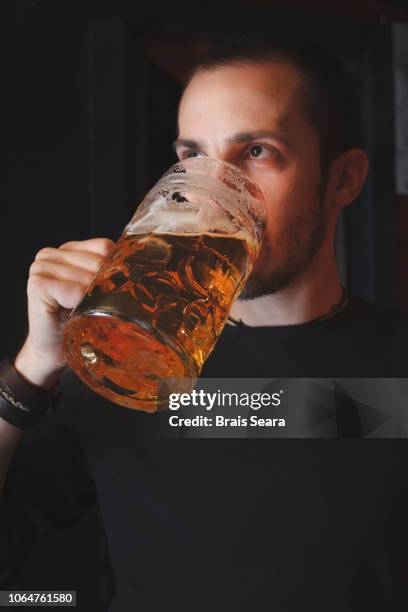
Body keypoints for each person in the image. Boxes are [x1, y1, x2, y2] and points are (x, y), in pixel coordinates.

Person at [1, 32, 407, 611]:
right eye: (193, 156)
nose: (212, 191)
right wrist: (31, 368)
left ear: (342, 180)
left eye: (257, 152)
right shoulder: (122, 361)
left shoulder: (395, 369)